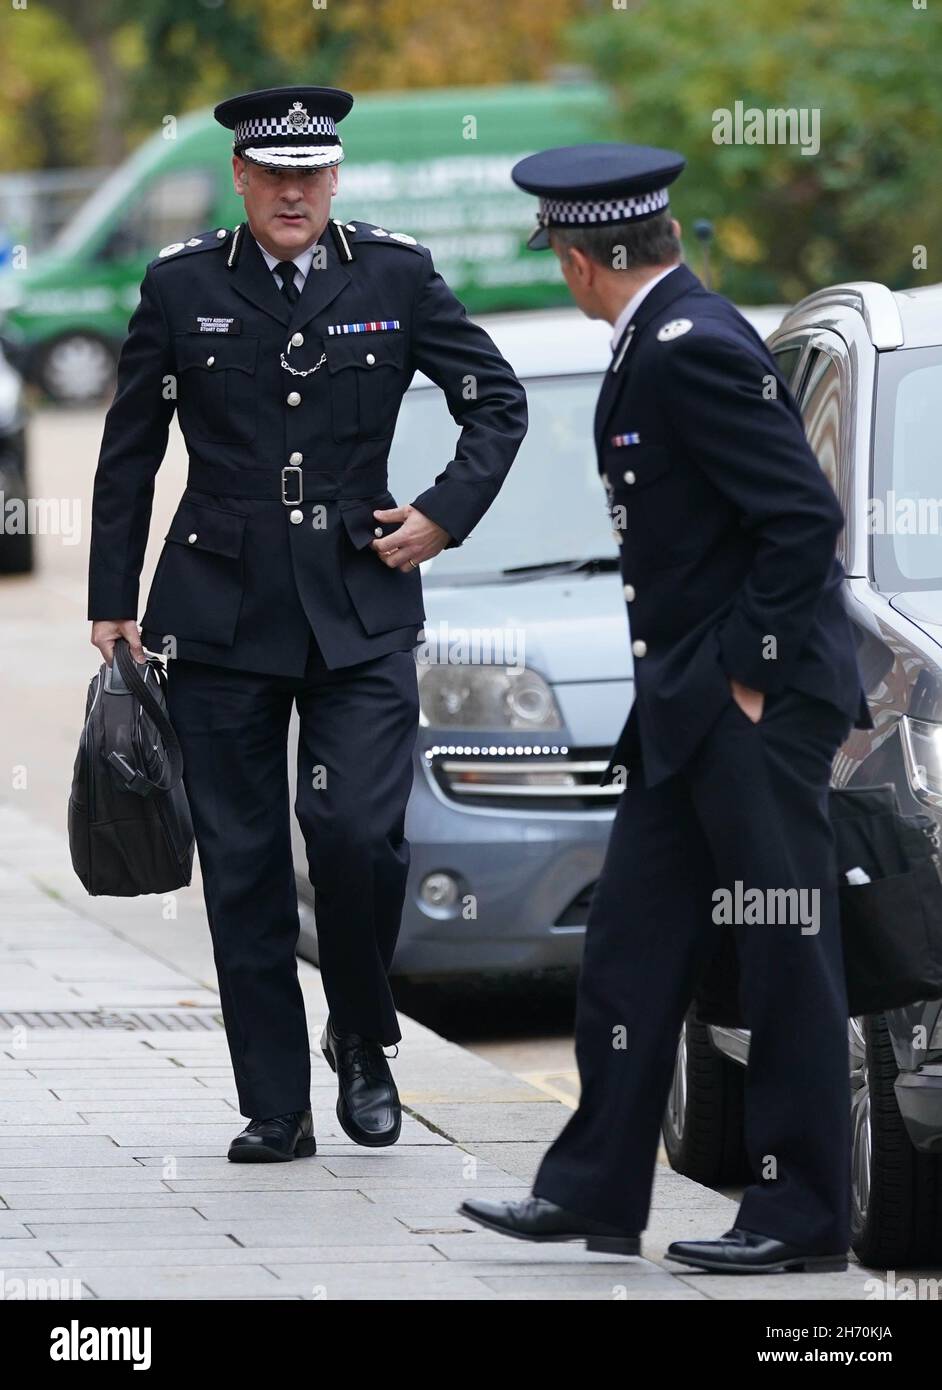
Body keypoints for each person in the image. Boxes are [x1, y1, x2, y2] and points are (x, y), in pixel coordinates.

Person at [87, 85, 527, 1162]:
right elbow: (131, 447)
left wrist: (441, 516)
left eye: (312, 174)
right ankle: (274, 1105)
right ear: (241, 178)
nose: (294, 191)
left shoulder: (397, 274)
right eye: (274, 174)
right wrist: (112, 600)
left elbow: (496, 402)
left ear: (335, 180)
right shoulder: (182, 283)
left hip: (360, 604)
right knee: (242, 865)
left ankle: (363, 1039)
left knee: (357, 836)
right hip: (220, 615)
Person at [459, 142, 873, 1272]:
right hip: (686, 713)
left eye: (560, 254)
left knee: (784, 957)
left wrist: (748, 670)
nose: (562, 272)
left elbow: (802, 521)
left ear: (584, 260)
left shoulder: (693, 346)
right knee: (632, 952)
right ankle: (593, 1189)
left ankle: (801, 1220)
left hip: (750, 712)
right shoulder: (660, 336)